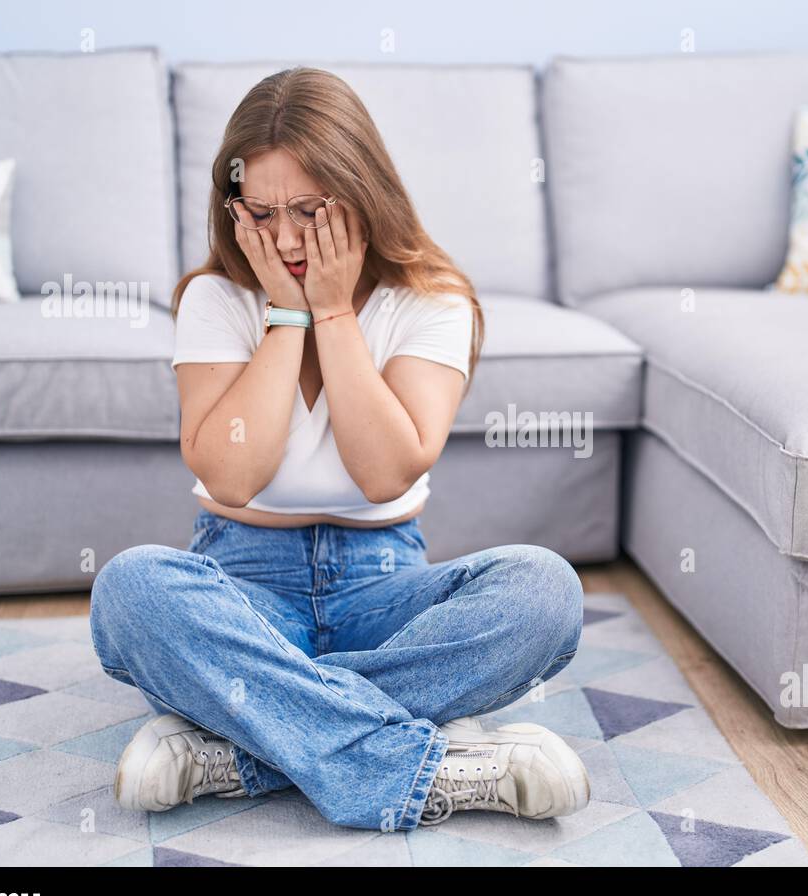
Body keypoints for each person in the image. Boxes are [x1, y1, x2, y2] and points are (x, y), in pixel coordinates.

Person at [87, 67, 589, 832]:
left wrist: (332, 313)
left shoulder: (432, 300)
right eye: (262, 213)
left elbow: (384, 473)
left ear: (361, 193)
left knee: (545, 591)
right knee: (132, 590)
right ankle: (425, 761)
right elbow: (230, 476)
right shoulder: (215, 300)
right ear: (235, 210)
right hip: (243, 585)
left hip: (383, 585)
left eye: (309, 211)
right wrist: (286, 318)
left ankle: (248, 744)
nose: (287, 238)